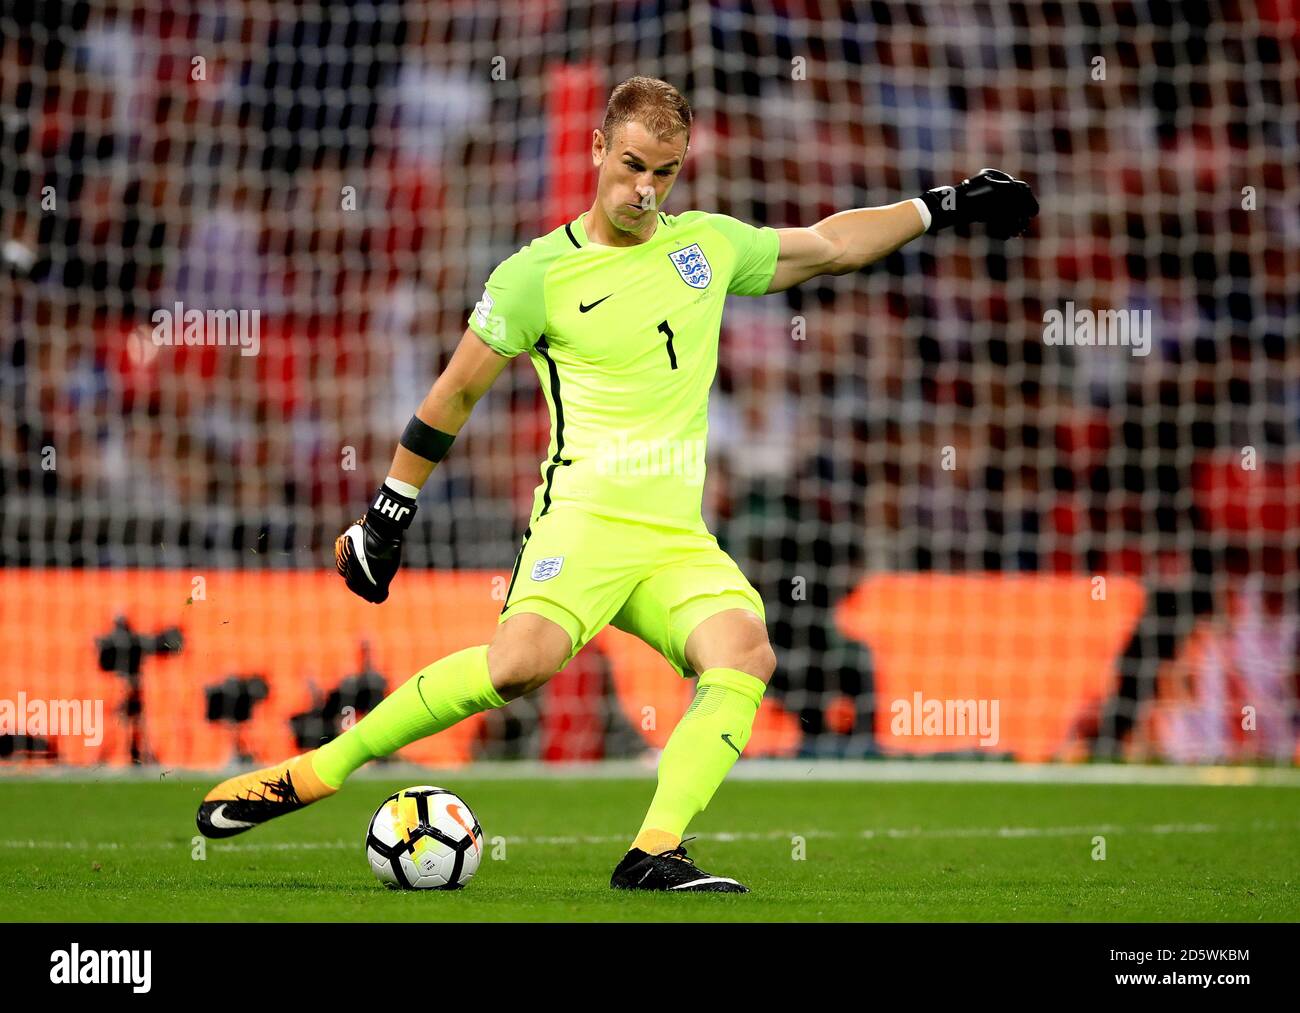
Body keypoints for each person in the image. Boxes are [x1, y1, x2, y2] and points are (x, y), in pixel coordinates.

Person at [196, 76, 1037, 893]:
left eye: (664, 172)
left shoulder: (706, 246)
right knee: (519, 666)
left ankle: (655, 850)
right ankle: (315, 771)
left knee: (745, 649)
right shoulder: (536, 274)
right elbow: (453, 392)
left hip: (674, 536)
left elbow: (828, 244)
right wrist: (390, 509)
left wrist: (945, 204)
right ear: (598, 148)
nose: (645, 188)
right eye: (632, 164)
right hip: (584, 521)